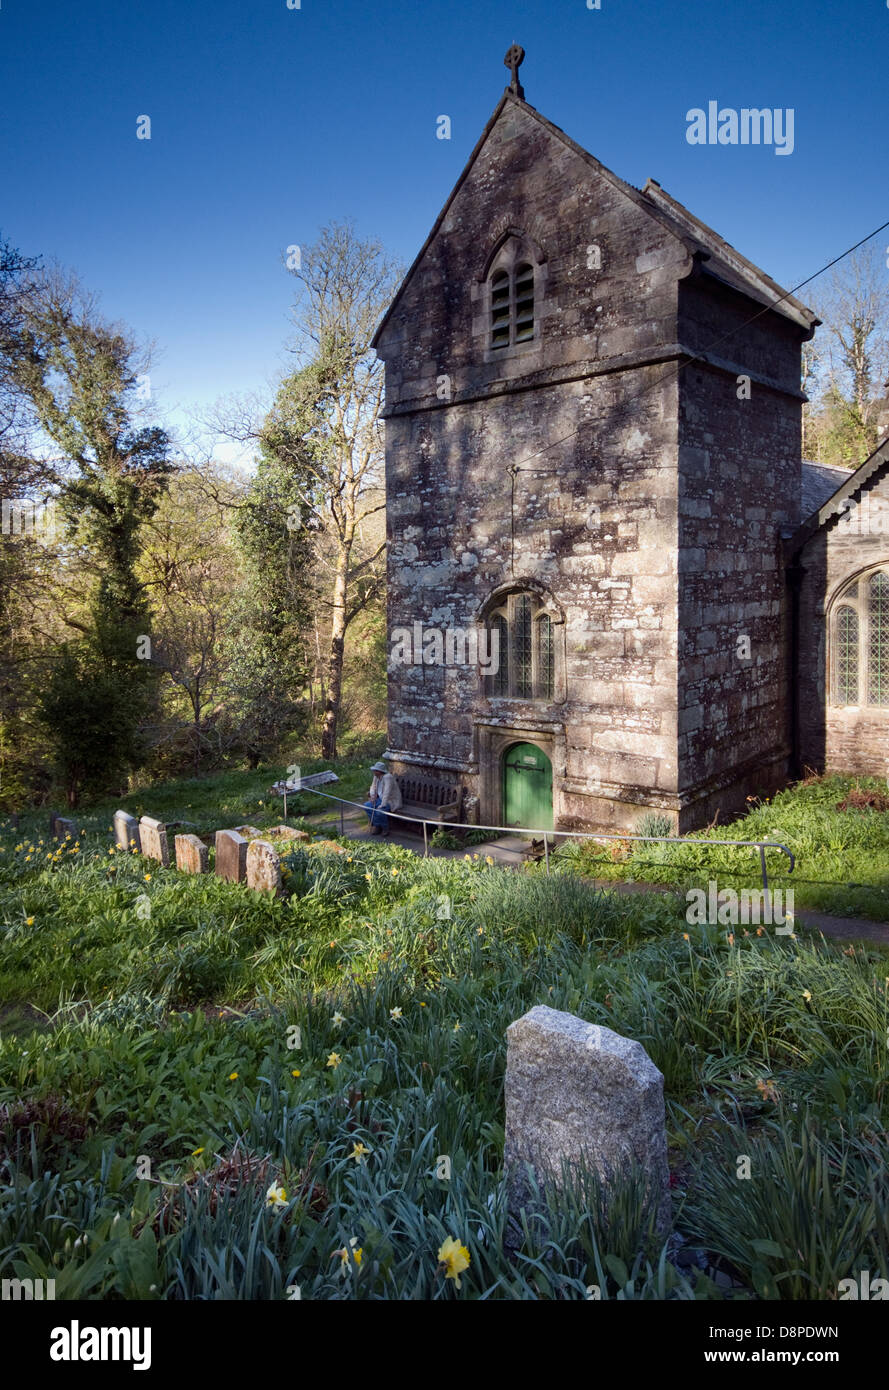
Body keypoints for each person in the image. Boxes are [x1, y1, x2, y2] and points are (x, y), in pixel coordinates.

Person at [363, 760, 402, 836]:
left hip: (390, 801)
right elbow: (373, 787)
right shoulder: (376, 777)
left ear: (380, 771)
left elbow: (387, 792)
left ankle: (385, 828)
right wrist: (372, 796)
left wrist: (383, 804)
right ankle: (377, 825)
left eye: (375, 770)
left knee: (379, 811)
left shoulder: (388, 777)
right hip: (380, 799)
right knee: (367, 806)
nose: (373, 771)